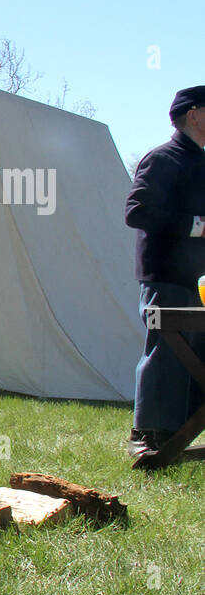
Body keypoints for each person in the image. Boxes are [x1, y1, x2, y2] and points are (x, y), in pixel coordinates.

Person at [125, 85, 205, 458]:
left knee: (195, 356)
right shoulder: (163, 158)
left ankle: (181, 434)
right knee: (166, 351)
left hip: (198, 278)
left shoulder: (200, 161)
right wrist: (198, 225)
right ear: (194, 114)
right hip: (166, 274)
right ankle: (146, 434)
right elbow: (137, 212)